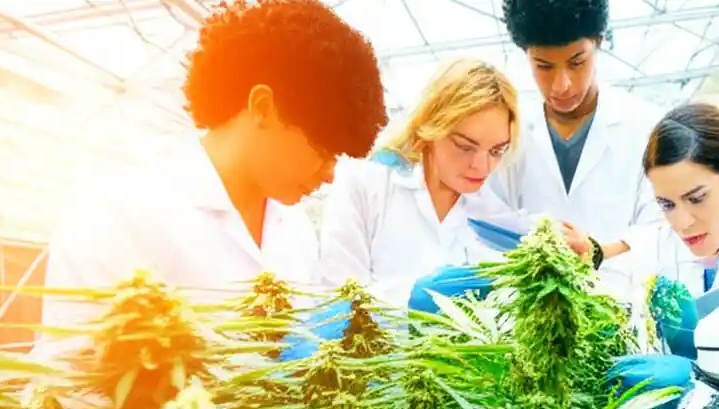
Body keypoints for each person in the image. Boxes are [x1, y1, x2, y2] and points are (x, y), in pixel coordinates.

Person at [38, 0, 385, 359]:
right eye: (323, 149)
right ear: (263, 107)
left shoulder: (293, 228)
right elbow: (71, 390)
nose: (330, 175)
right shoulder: (118, 214)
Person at [315, 58, 521, 315]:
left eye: (496, 150)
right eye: (465, 147)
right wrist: (410, 301)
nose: (482, 166)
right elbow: (335, 305)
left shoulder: (486, 207)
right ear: (431, 127)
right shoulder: (365, 184)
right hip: (386, 355)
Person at [603, 103, 719, 392]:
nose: (682, 222)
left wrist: (702, 379)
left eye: (697, 198)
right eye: (667, 204)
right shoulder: (659, 248)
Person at [490, 0, 664, 278]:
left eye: (577, 62)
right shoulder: (507, 132)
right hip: (532, 308)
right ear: (526, 54)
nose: (562, 84)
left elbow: (660, 229)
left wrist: (597, 252)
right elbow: (490, 222)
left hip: (619, 298)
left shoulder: (644, 127)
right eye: (544, 66)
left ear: (599, 42)